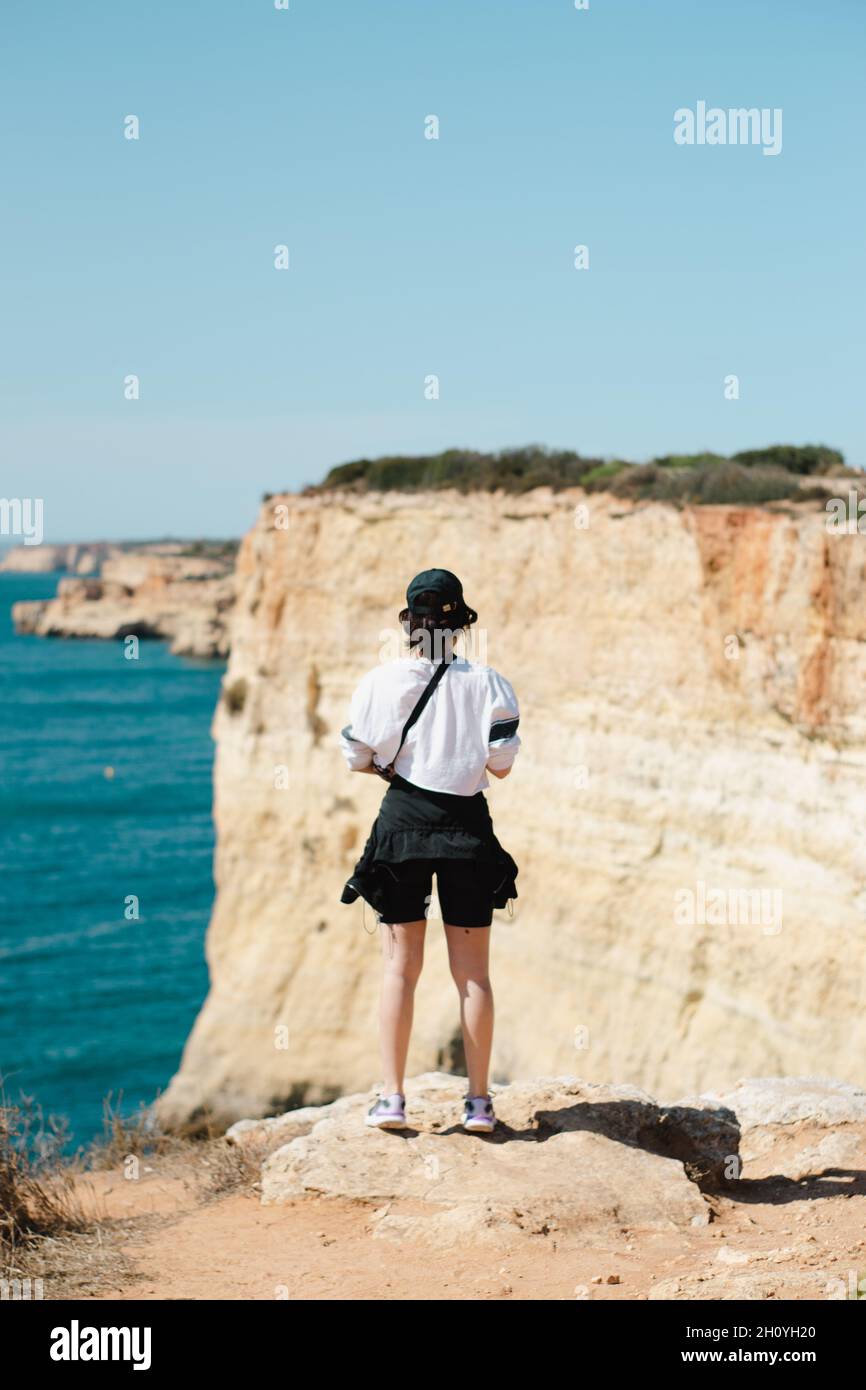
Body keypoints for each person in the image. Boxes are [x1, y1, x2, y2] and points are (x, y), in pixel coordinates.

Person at [339, 568, 520, 1134]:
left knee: (400, 969)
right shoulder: (489, 683)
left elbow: (356, 756)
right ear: (461, 623)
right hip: (466, 830)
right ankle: (479, 1103)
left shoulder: (379, 681)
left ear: (409, 626)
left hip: (402, 828)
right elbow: (502, 763)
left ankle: (392, 1099)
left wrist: (398, 764)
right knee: (474, 976)